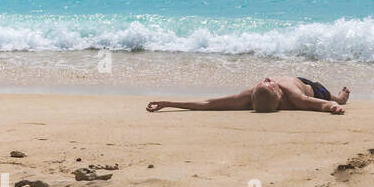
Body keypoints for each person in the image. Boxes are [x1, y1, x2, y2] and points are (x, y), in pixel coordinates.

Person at [146, 76, 349, 113]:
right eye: (269, 83)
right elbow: (313, 102)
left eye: (265, 81)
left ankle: (338, 96)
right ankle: (339, 98)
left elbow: (208, 104)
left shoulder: (249, 96)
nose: (269, 79)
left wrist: (167, 102)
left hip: (303, 86)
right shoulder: (291, 92)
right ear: (278, 94)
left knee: (330, 97)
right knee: (327, 95)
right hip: (308, 86)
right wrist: (333, 106)